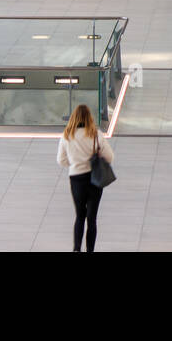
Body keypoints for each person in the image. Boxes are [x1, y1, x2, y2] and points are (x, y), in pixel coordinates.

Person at [57, 104, 114, 252]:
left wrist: (75, 163)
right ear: (90, 117)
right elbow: (109, 157)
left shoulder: (67, 135)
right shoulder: (96, 134)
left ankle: (77, 248)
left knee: (80, 216)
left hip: (76, 179)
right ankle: (90, 250)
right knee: (92, 218)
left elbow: (61, 160)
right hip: (95, 179)